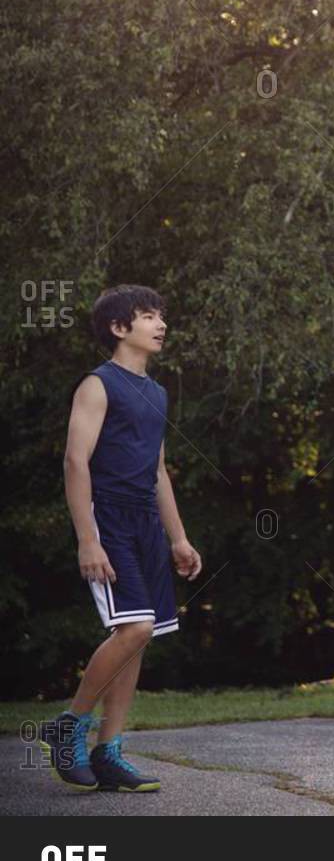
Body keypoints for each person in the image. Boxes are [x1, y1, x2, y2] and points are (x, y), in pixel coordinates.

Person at [38, 285, 202, 791]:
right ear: (118, 327)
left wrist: (178, 538)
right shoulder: (98, 384)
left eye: (161, 316)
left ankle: (108, 753)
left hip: (146, 523)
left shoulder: (157, 393)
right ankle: (69, 725)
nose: (161, 324)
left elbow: (158, 471)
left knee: (140, 637)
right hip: (107, 518)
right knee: (135, 627)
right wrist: (88, 539)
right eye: (149, 316)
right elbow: (75, 461)